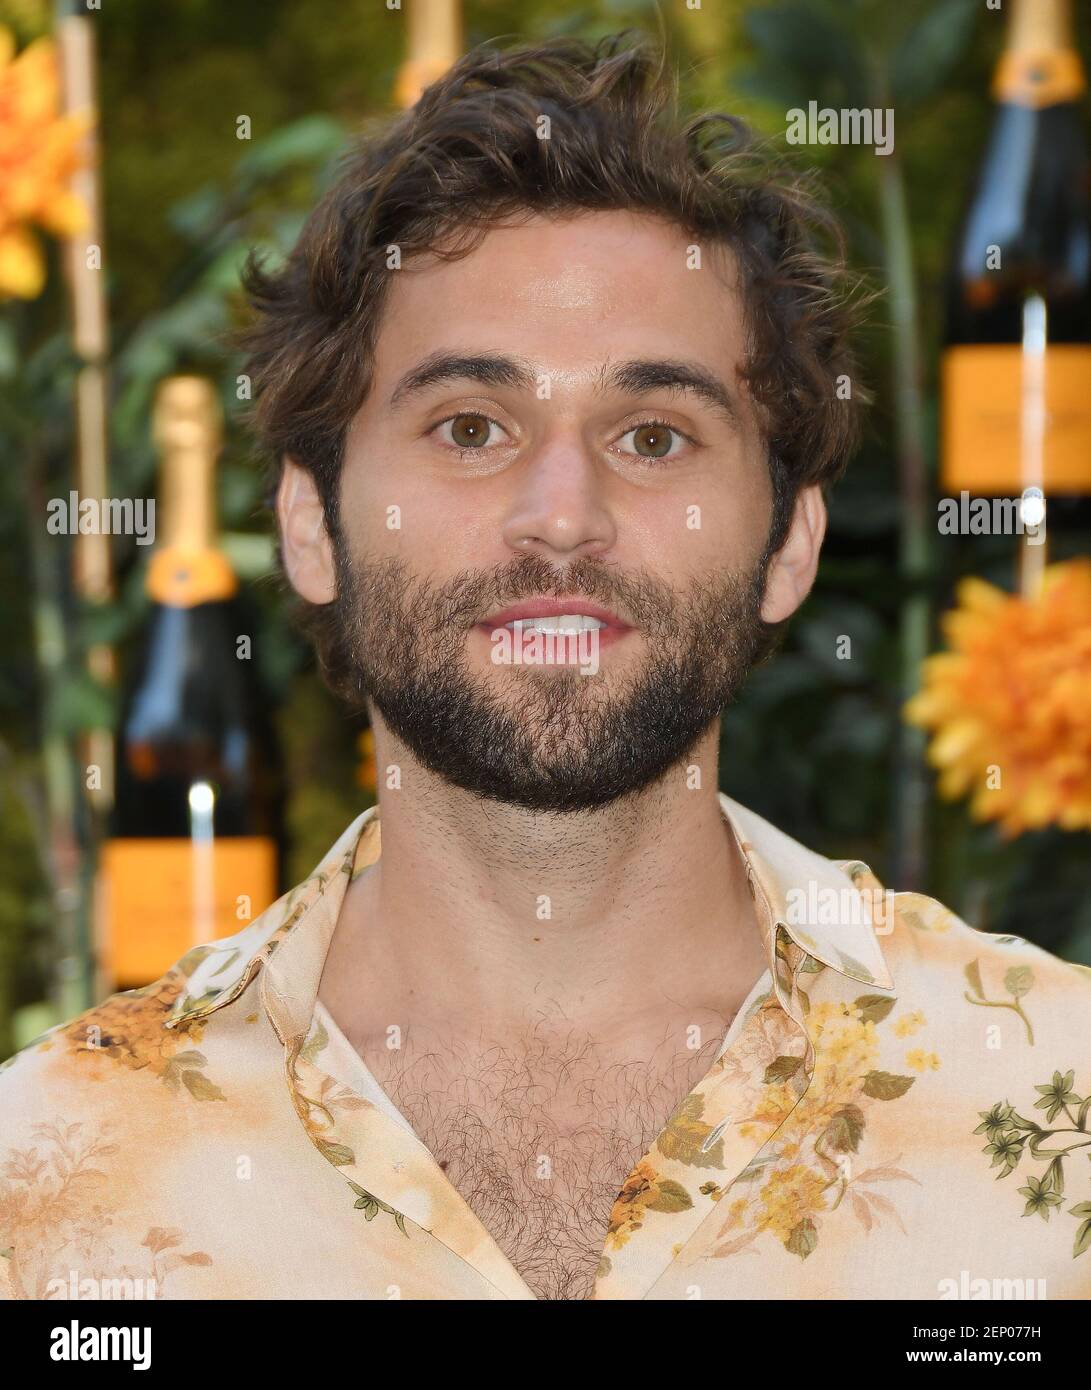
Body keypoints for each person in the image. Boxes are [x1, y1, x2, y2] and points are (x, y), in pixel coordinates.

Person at [2, 34, 1089, 1304]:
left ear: (789, 544)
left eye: (652, 433)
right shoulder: (47, 1184)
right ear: (312, 524)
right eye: (469, 427)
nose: (560, 512)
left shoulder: (1049, 1112)